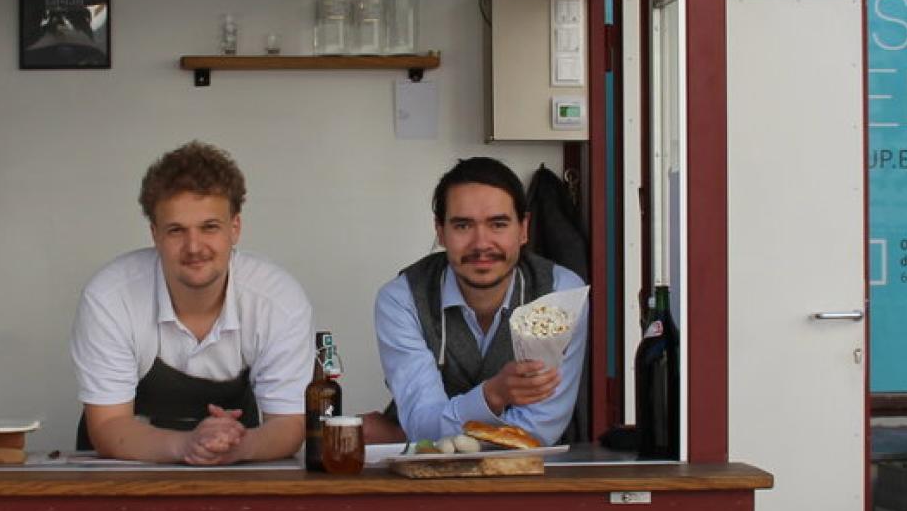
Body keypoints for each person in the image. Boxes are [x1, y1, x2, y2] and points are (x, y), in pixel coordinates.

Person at [71, 141, 313, 464]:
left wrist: (237, 446)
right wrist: (188, 445)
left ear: (235, 228)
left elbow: (289, 423)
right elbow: (108, 425)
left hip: (237, 473)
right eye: (176, 231)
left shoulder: (279, 301)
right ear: (155, 234)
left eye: (209, 227)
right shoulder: (110, 297)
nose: (194, 246)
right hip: (123, 476)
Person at [366, 155, 588, 446]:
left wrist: (403, 437)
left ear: (523, 229)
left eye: (498, 224)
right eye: (463, 226)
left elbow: (537, 432)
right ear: (440, 231)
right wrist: (493, 395)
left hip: (527, 479)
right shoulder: (401, 298)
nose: (481, 243)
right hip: (421, 479)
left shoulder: (559, 293)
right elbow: (422, 423)